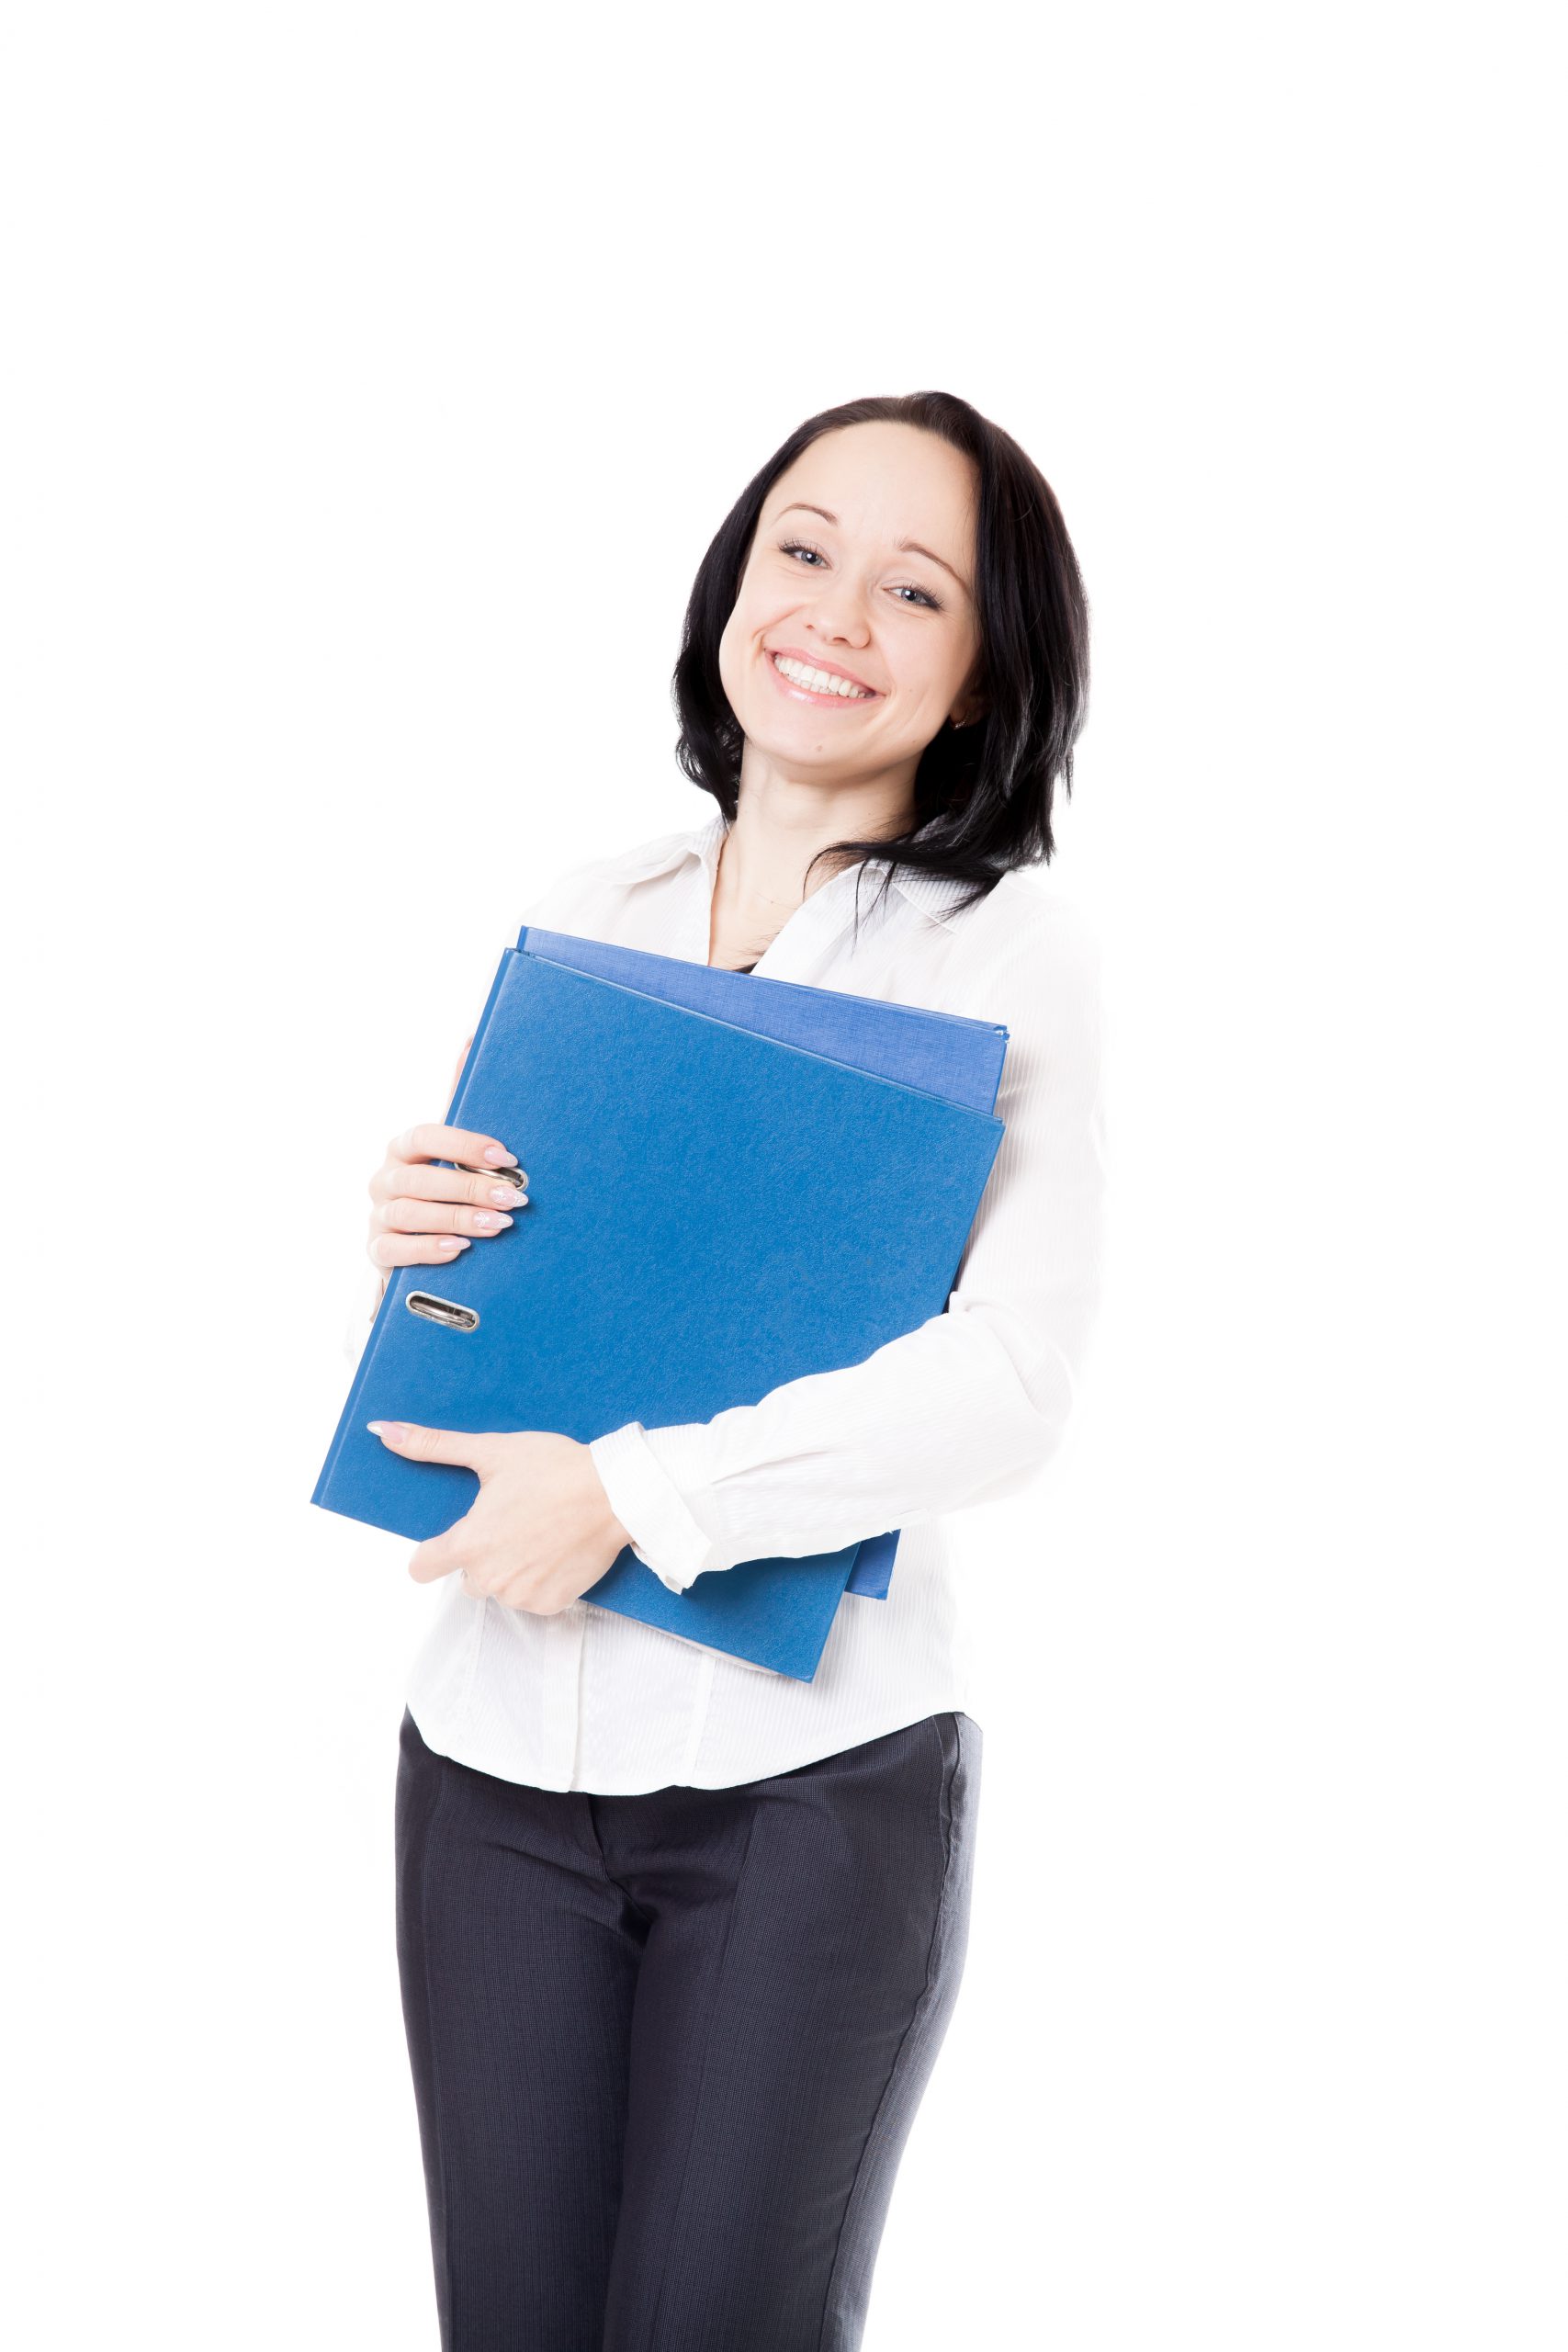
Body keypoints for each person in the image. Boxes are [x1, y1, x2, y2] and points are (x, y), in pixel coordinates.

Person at [342, 390, 1106, 2349]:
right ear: (731, 580)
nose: (832, 609)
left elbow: (1005, 1379)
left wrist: (635, 1497)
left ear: (976, 668)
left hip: (803, 1800)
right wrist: (420, 1233)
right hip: (488, 1773)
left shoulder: (1000, 961)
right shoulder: (585, 913)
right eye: (801, 546)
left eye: (912, 586)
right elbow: (527, 1300)